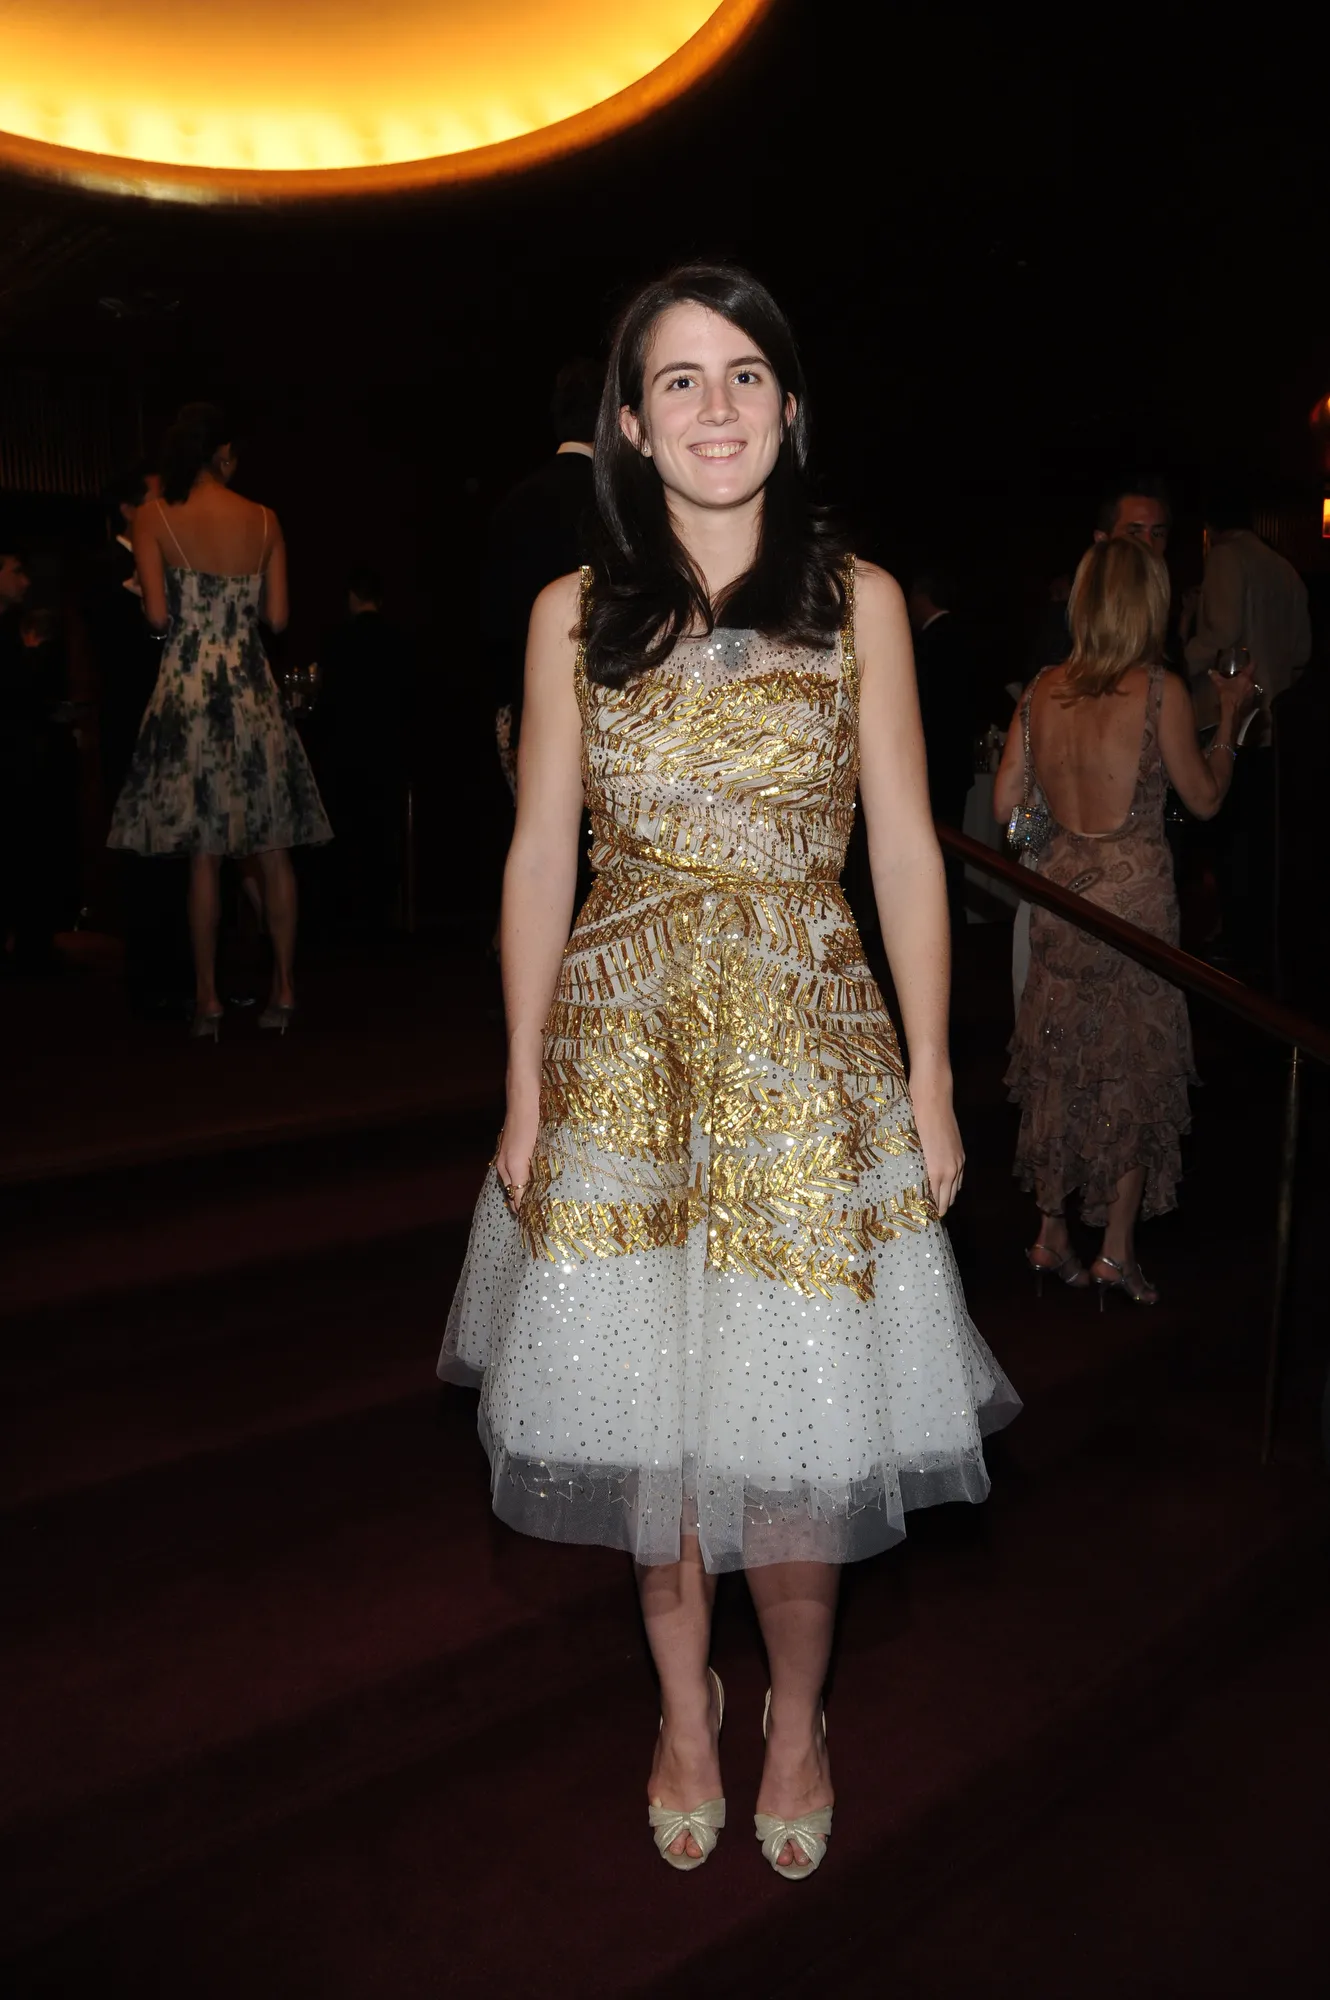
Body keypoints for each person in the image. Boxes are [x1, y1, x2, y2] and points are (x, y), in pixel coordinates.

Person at [441, 265, 1019, 1880]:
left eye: (745, 375)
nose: (715, 409)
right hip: (622, 1057)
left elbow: (903, 850)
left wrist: (932, 1080)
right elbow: (538, 854)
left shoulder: (862, 604)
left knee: (795, 1450)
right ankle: (689, 1706)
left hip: (803, 1062)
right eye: (678, 381)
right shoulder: (571, 615)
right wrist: (524, 1087)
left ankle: (801, 1714)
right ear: (627, 422)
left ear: (790, 407)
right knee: (660, 1442)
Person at [996, 537, 1253, 1304]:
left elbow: (1010, 815)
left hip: (1063, 906)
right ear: (1148, 607)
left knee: (1057, 1064)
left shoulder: (1041, 689)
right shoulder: (1161, 691)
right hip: (1137, 913)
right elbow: (1204, 799)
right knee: (1135, 1074)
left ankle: (1050, 1234)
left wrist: (1065, 847)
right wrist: (1233, 722)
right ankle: (1115, 1254)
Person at [107, 403, 331, 1037]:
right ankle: (283, 989)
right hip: (250, 684)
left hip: (187, 687)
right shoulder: (264, 519)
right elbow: (279, 618)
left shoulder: (152, 516)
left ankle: (206, 999)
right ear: (225, 455)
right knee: (273, 846)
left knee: (204, 855)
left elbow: (155, 617)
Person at [1183, 490, 1310, 985]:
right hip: (1278, 722)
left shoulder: (1225, 558)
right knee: (1262, 838)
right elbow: (1301, 649)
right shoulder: (1285, 568)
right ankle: (1260, 940)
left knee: (1228, 834)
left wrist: (1184, 643)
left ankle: (1235, 942)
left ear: (1212, 528)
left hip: (1233, 718)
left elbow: (1221, 636)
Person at [84, 465, 189, 1014]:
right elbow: (120, 652)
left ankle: (182, 969)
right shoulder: (105, 567)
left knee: (176, 846)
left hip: (170, 722)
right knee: (143, 848)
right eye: (153, 496)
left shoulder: (166, 557)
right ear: (129, 509)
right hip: (132, 723)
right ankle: (150, 976)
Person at [485, 358, 601, 792]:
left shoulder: (511, 506)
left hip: (527, 709)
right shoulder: (620, 507)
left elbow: (494, 627)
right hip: (607, 719)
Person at [313, 565, 408, 929]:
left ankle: (343, 917)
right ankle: (382, 916)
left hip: (345, 752)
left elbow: (326, 700)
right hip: (386, 753)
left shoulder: (336, 640)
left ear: (352, 597)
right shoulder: (398, 640)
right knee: (383, 835)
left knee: (345, 833)